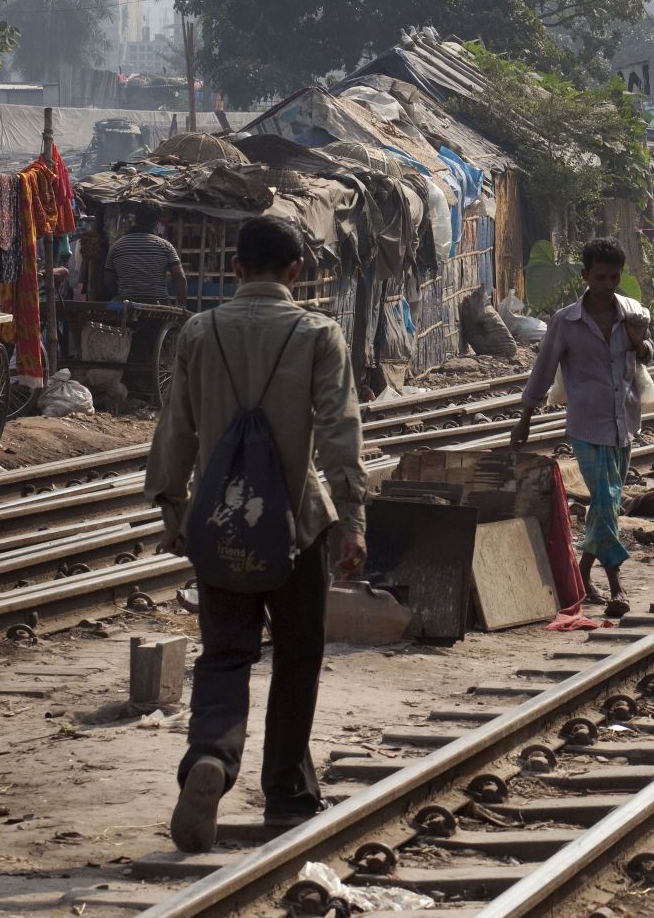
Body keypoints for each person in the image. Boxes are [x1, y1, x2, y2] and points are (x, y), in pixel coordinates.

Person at [148, 216, 367, 853]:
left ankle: (210, 757)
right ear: (296, 272)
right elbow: (339, 434)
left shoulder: (198, 330)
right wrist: (352, 521)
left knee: (225, 655)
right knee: (297, 657)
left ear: (237, 269)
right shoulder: (317, 334)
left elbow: (177, 426)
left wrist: (173, 508)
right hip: (297, 527)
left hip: (218, 526)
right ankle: (288, 793)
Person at [513, 237, 652, 620]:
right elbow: (543, 371)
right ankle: (617, 585)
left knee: (607, 503)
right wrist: (525, 417)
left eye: (614, 277)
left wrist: (640, 344)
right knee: (607, 501)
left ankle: (581, 571)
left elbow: (647, 355)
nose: (608, 284)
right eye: (600, 277)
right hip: (586, 424)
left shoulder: (634, 314)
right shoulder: (565, 322)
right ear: (586, 276)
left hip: (624, 421)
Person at [106, 202, 187, 304]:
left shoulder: (117, 246)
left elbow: (108, 280)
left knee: (114, 303)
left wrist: (122, 292)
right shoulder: (166, 246)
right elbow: (181, 279)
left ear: (135, 219)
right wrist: (180, 308)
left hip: (126, 305)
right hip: (159, 306)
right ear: (157, 223)